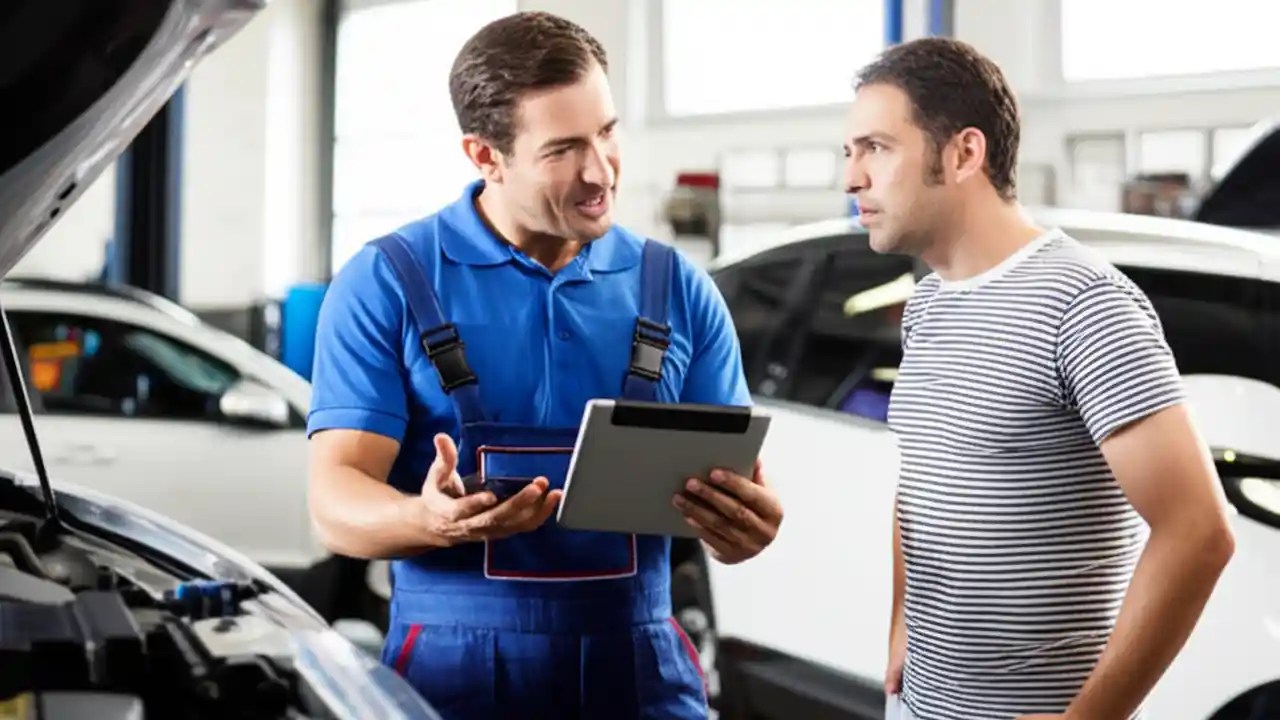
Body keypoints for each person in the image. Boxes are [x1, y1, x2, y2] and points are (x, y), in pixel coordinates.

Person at [305, 11, 783, 720]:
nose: (600, 171)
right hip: (450, 674)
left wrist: (748, 528)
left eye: (608, 132)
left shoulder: (677, 288)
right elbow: (334, 503)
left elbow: (732, 493)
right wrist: (431, 520)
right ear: (484, 155)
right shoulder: (388, 282)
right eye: (563, 149)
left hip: (639, 668)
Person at [843, 38, 1237, 720]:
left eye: (876, 147)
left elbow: (1199, 532)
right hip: (918, 705)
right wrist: (904, 620)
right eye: (848, 153)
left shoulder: (1084, 305)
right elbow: (923, 478)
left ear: (964, 154)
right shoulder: (930, 302)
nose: (852, 177)